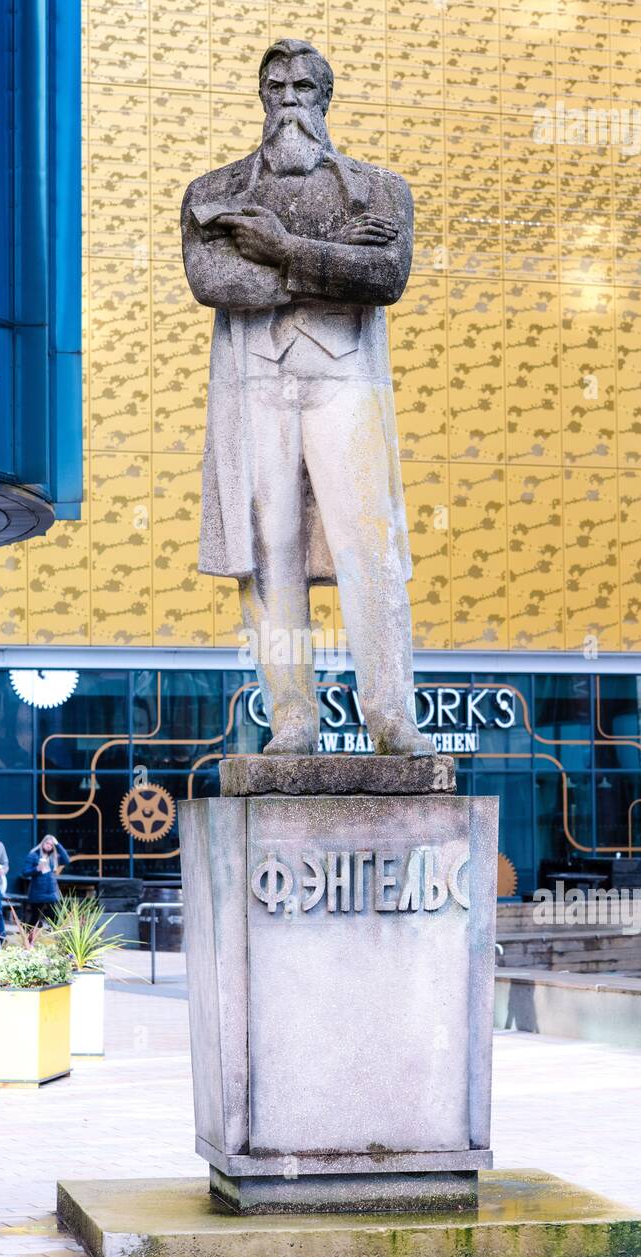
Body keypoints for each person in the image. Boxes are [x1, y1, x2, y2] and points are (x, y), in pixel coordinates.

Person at [181, 37, 433, 756]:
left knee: (368, 546)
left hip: (343, 382)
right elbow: (218, 286)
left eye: (302, 88)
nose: (289, 100)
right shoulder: (213, 192)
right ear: (260, 96)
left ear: (324, 98)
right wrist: (332, 259)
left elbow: (386, 278)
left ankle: (390, 716)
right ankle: (291, 718)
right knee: (270, 550)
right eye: (276, 87)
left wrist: (284, 250)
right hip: (257, 384)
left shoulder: (379, 190)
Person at [21, 835, 70, 927]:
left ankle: (55, 939)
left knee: (55, 919)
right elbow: (25, 872)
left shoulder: (53, 857)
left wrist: (57, 844)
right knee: (34, 919)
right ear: (43, 843)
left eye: (51, 845)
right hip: (37, 892)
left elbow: (67, 860)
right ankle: (28, 938)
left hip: (51, 891)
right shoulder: (34, 855)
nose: (49, 846)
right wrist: (37, 869)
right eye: (47, 843)